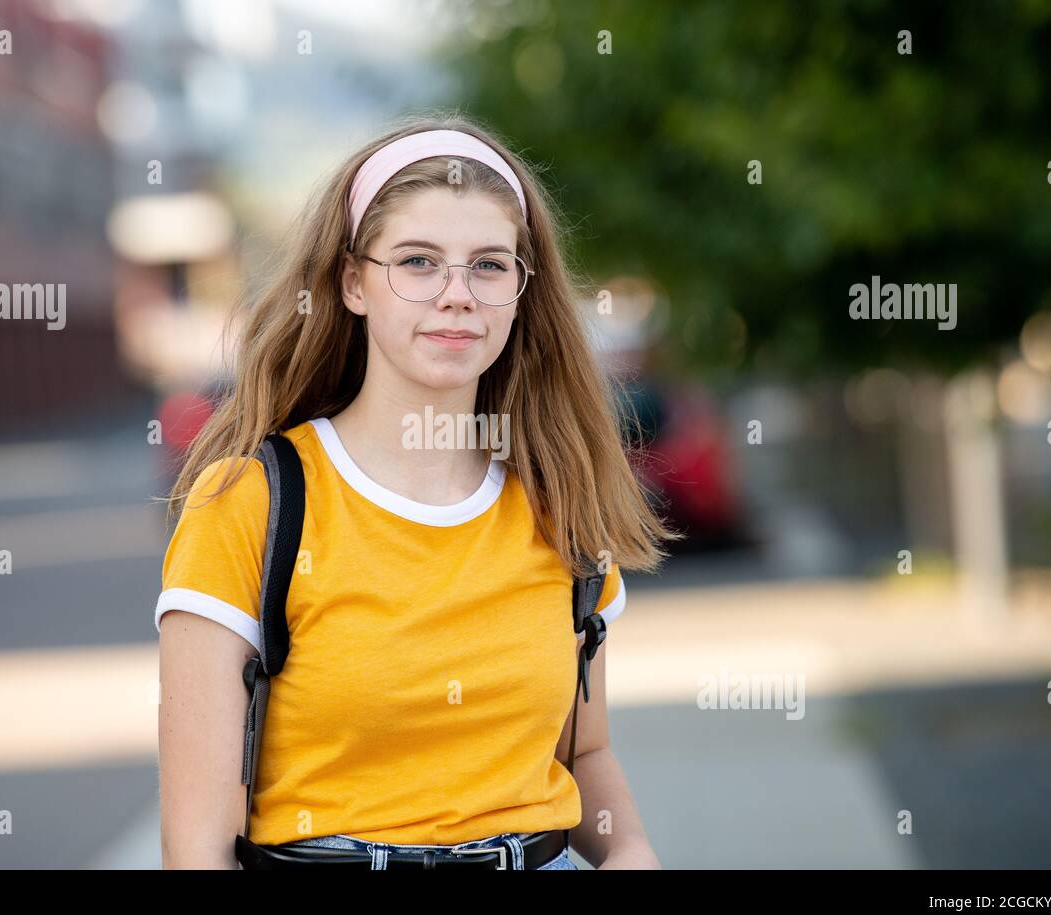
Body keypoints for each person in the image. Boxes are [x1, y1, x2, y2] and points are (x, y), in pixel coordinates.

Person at [154, 111, 675, 870]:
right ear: (354, 283)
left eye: (490, 265)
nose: (457, 294)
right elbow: (197, 847)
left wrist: (630, 851)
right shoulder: (251, 504)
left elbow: (585, 753)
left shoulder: (562, 502)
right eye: (419, 262)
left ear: (523, 291)